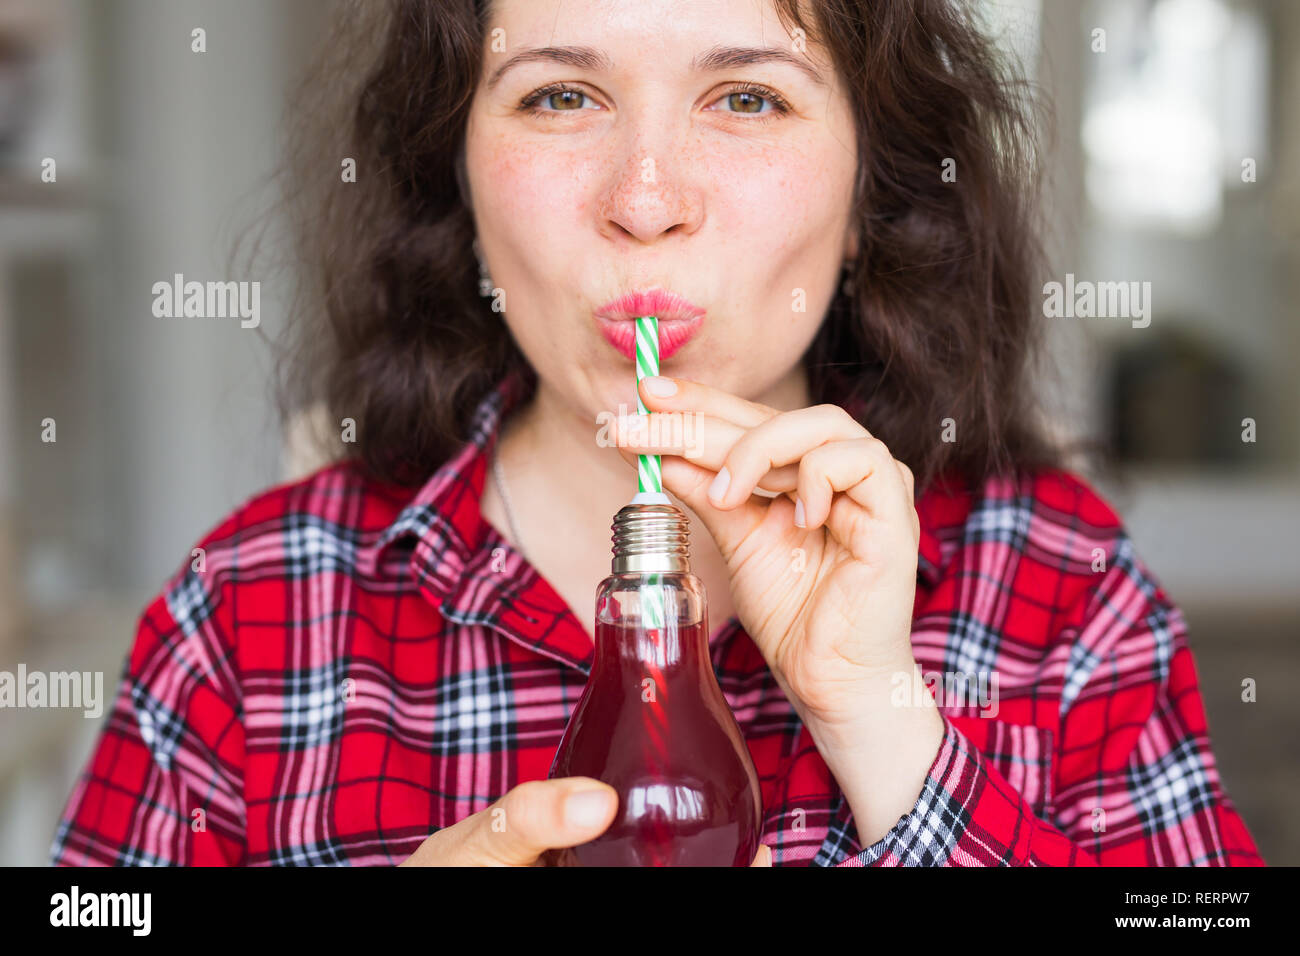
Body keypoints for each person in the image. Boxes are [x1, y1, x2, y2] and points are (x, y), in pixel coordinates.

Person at [51, 0, 1263, 867]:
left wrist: (882, 720)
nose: (643, 200)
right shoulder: (245, 616)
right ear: (461, 188)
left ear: (865, 204)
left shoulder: (1061, 587)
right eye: (560, 95)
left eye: (745, 96)